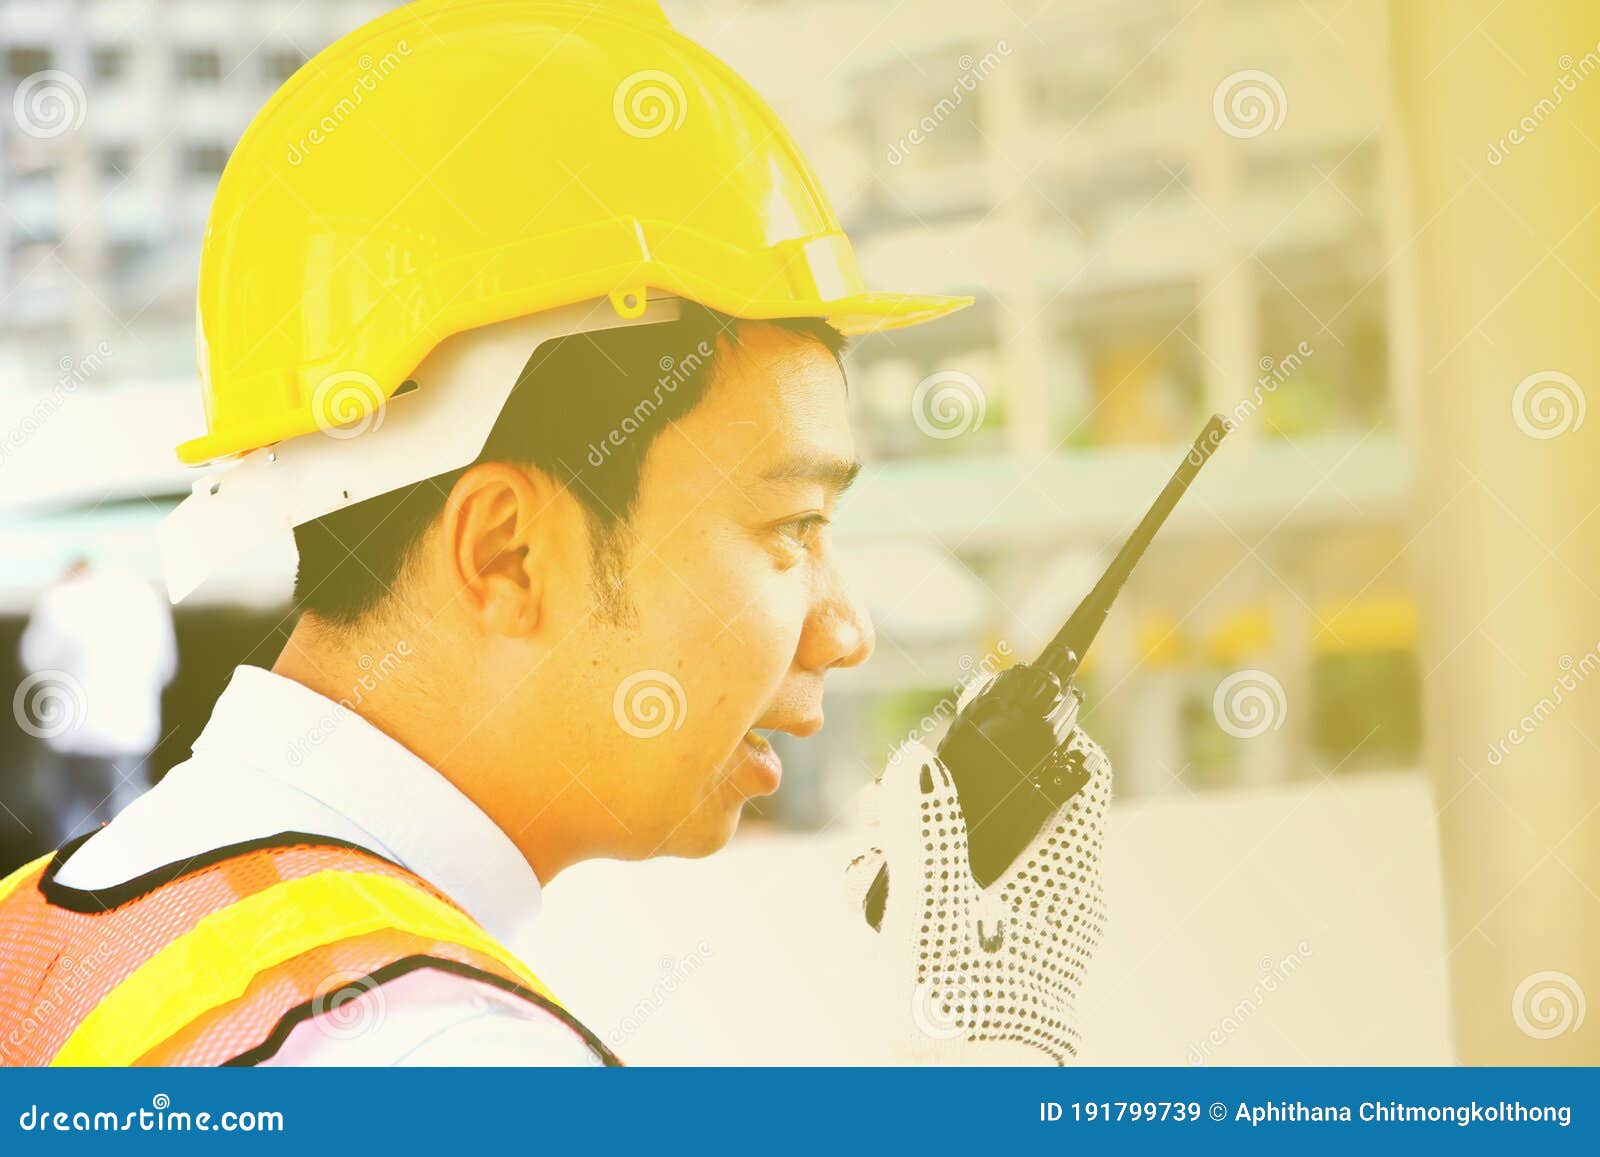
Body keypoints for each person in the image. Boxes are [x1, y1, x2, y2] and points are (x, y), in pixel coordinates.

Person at [0, 0, 1110, 1067]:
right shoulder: (453, 1054)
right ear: (506, 553)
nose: (844, 627)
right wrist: (997, 1038)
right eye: (792, 525)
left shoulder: (42, 933)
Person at [17, 559, 177, 848]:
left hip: (74, 738)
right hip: (130, 733)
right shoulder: (146, 600)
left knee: (71, 833)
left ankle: (71, 888)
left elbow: (35, 660)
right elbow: (165, 668)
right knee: (125, 827)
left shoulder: (62, 598)